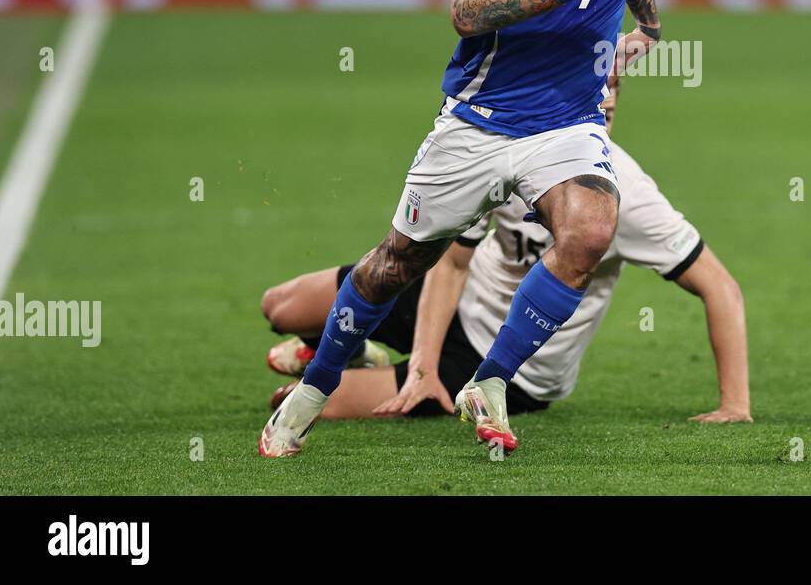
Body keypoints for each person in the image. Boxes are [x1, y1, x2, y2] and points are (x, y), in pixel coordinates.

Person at [260, 0, 665, 457]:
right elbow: (466, 12)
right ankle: (312, 390)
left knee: (592, 230)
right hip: (480, 122)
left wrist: (648, 25)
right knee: (392, 265)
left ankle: (491, 380)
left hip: (566, 123)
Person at [259, 79, 750, 431]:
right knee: (278, 307)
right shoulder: (508, 151)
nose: (604, 95)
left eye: (613, 85)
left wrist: (735, 405)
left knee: (292, 402)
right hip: (459, 304)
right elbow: (451, 263)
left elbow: (720, 286)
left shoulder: (628, 196)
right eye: (593, 81)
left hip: (524, 367)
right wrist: (424, 365)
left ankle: (360, 362)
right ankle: (360, 349)